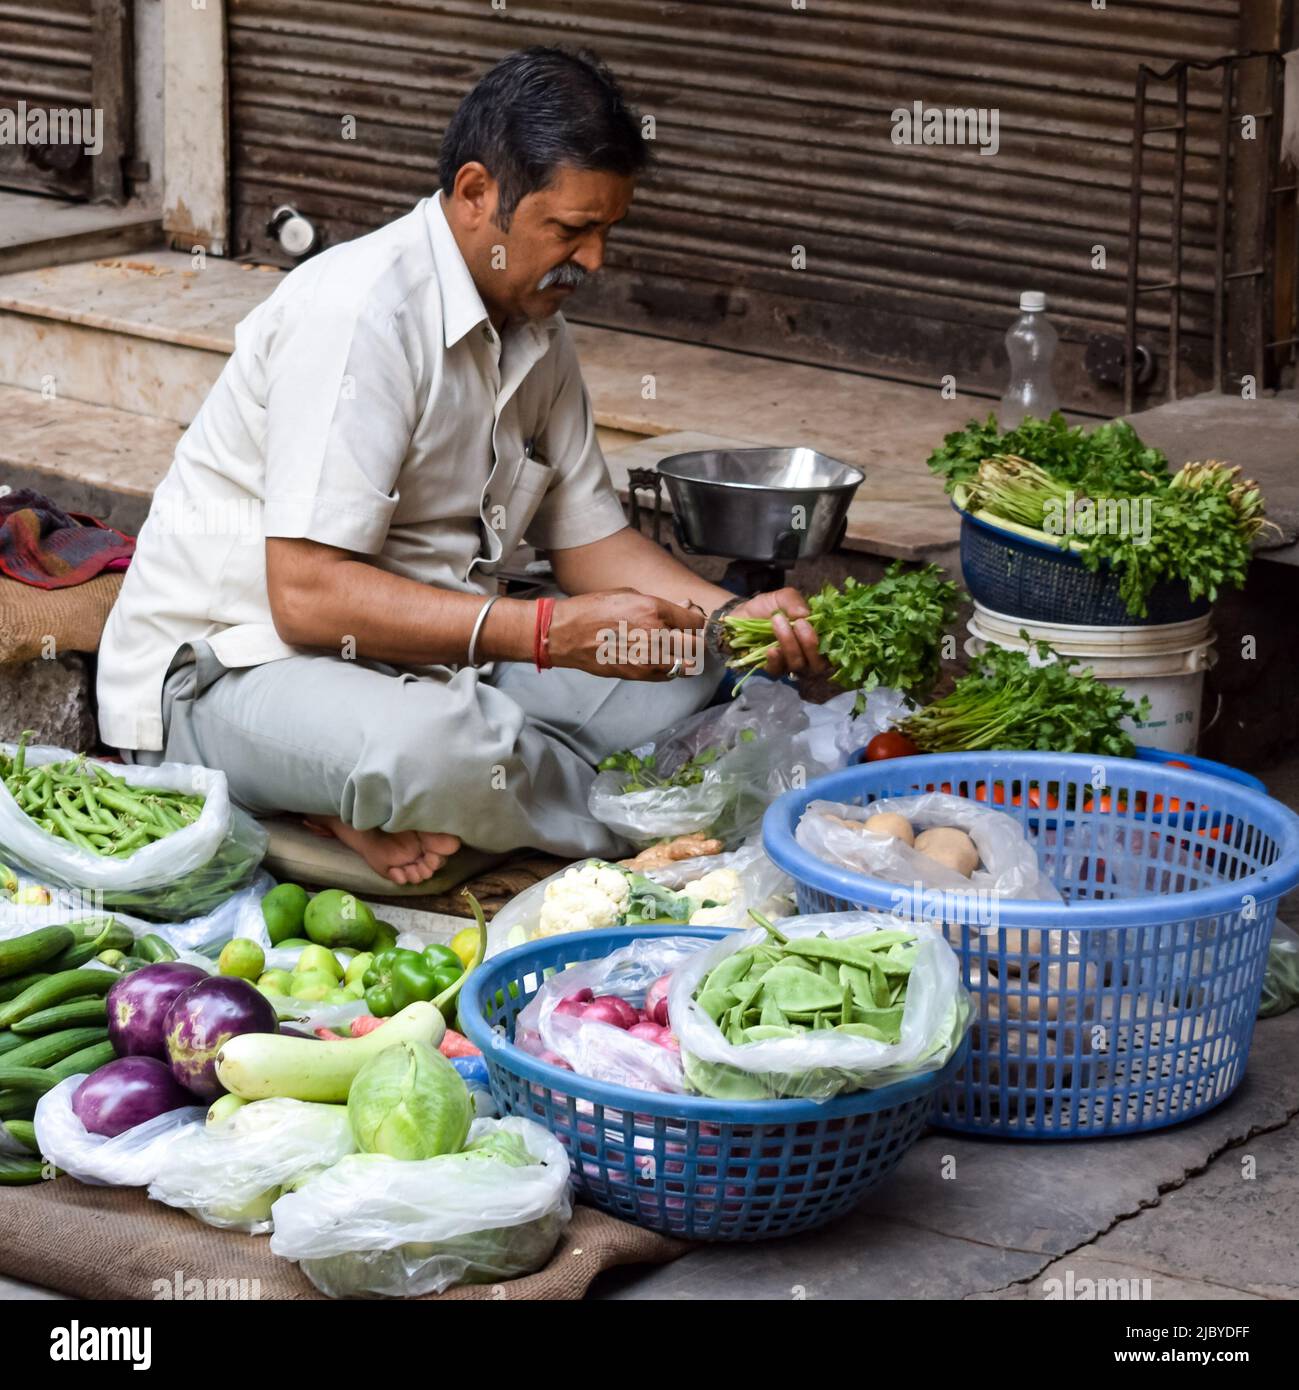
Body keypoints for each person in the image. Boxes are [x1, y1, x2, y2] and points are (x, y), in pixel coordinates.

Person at [96, 46, 824, 886]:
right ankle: (534, 807)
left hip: (431, 656)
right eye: (571, 230)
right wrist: (547, 637)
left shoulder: (536, 328)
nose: (594, 261)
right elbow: (305, 599)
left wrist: (737, 618)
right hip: (230, 673)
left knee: (689, 671)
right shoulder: (360, 315)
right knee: (440, 749)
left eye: (606, 232)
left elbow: (591, 543)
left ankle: (420, 801)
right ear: (477, 193)